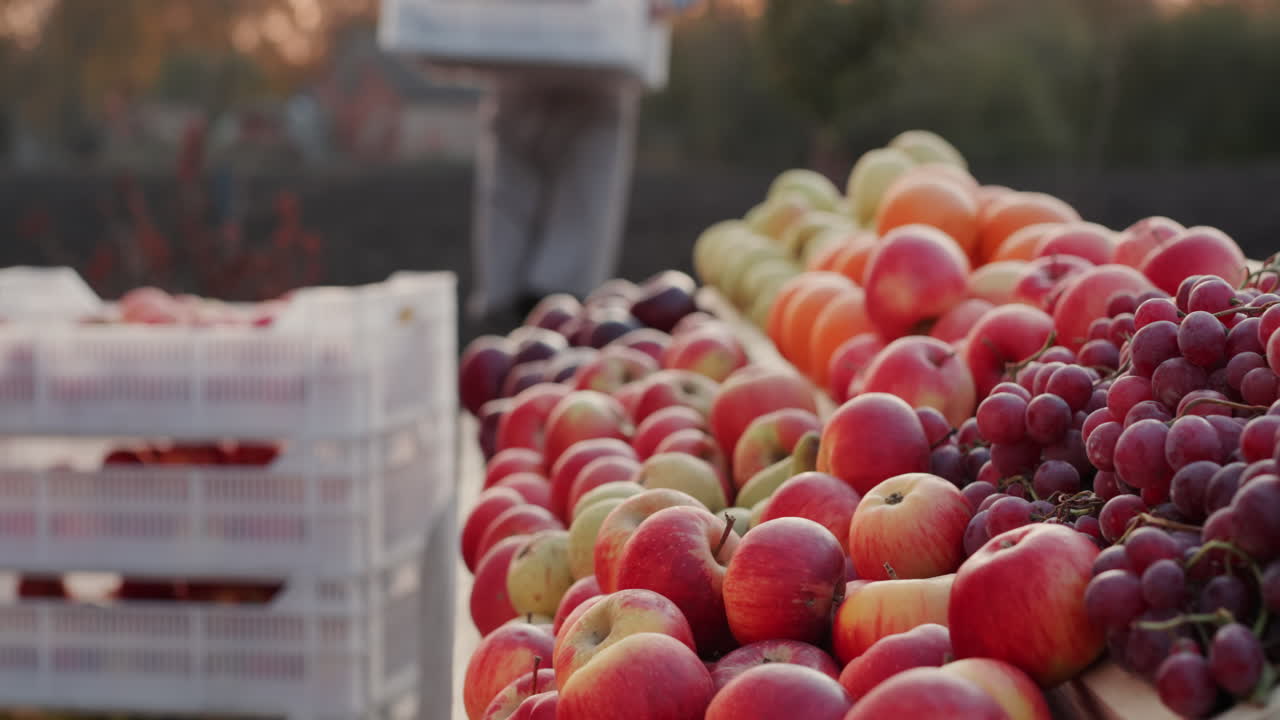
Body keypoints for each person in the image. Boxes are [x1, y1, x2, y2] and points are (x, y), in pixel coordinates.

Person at [466, 0, 695, 323]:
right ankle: (538, 303)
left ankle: (529, 302)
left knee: (525, 189)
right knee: (569, 192)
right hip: (570, 56)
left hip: (561, 55)